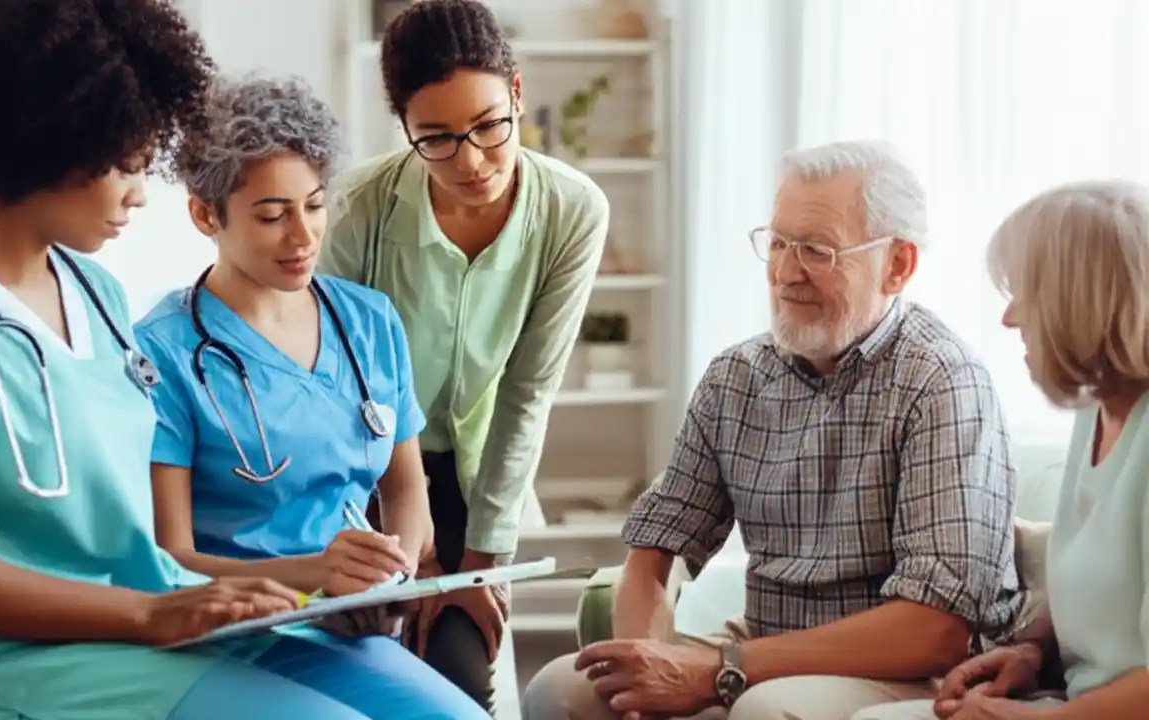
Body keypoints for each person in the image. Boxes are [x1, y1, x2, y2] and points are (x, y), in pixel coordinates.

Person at [0, 2, 392, 719]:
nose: (140, 194)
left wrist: (292, 596)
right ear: (45, 141)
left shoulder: (99, 294)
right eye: (123, 166)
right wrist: (148, 616)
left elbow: (136, 542)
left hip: (154, 622)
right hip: (13, 659)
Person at [522, 140, 1023, 720]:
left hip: (911, 671)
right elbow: (654, 552)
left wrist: (724, 669)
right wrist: (649, 663)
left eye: (816, 251)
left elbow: (936, 631)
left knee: (766, 707)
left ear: (898, 265)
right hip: (764, 643)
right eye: (778, 243)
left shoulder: (942, 382)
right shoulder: (736, 376)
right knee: (561, 692)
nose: (785, 273)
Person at [132, 73, 487, 719]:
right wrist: (312, 579)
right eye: (272, 215)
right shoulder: (163, 352)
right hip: (230, 633)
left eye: (315, 205)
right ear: (205, 214)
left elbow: (406, 489)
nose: (303, 237)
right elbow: (167, 558)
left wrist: (390, 576)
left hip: (347, 627)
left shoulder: (368, 321)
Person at [320, 0, 610, 710]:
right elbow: (334, 383)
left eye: (488, 126)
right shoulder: (362, 208)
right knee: (374, 651)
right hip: (372, 466)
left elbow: (527, 390)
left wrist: (482, 561)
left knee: (456, 660)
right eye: (438, 138)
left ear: (516, 92)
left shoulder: (573, 211)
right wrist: (406, 544)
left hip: (479, 475)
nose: (472, 160)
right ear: (406, 131)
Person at [859, 180, 1149, 720]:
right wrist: (1030, 652)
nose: (1010, 317)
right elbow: (1109, 601)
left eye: (1025, 292)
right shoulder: (1098, 413)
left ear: (1081, 300)